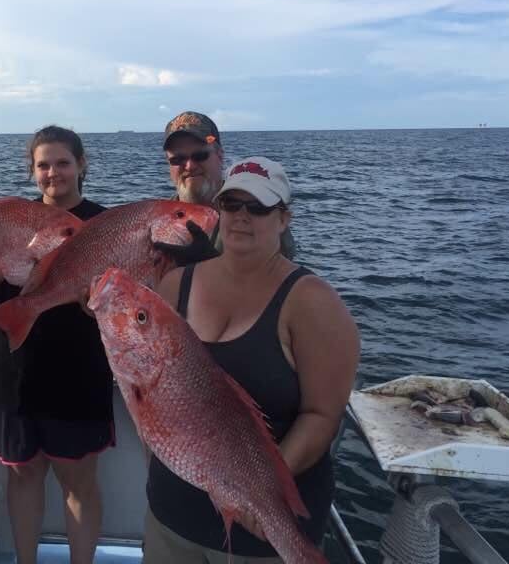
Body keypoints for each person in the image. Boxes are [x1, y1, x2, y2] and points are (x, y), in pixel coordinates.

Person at [145, 156, 360, 563]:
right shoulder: (176, 286)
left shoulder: (313, 302)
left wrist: (260, 493)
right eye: (232, 205)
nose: (242, 217)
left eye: (258, 207)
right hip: (171, 515)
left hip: (261, 533)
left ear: (284, 219)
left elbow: (321, 415)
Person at [0, 126, 113, 564]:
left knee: (79, 483)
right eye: (43, 165)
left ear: (82, 165)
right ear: (32, 171)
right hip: (11, 369)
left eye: (62, 163)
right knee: (23, 475)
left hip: (78, 370)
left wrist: (101, 305)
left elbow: (118, 306)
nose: (53, 173)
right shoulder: (11, 220)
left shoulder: (105, 225)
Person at [159, 111, 296, 263]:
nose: (190, 166)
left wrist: (209, 266)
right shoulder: (155, 221)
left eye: (200, 156)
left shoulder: (259, 211)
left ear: (219, 155)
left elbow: (278, 278)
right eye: (178, 159)